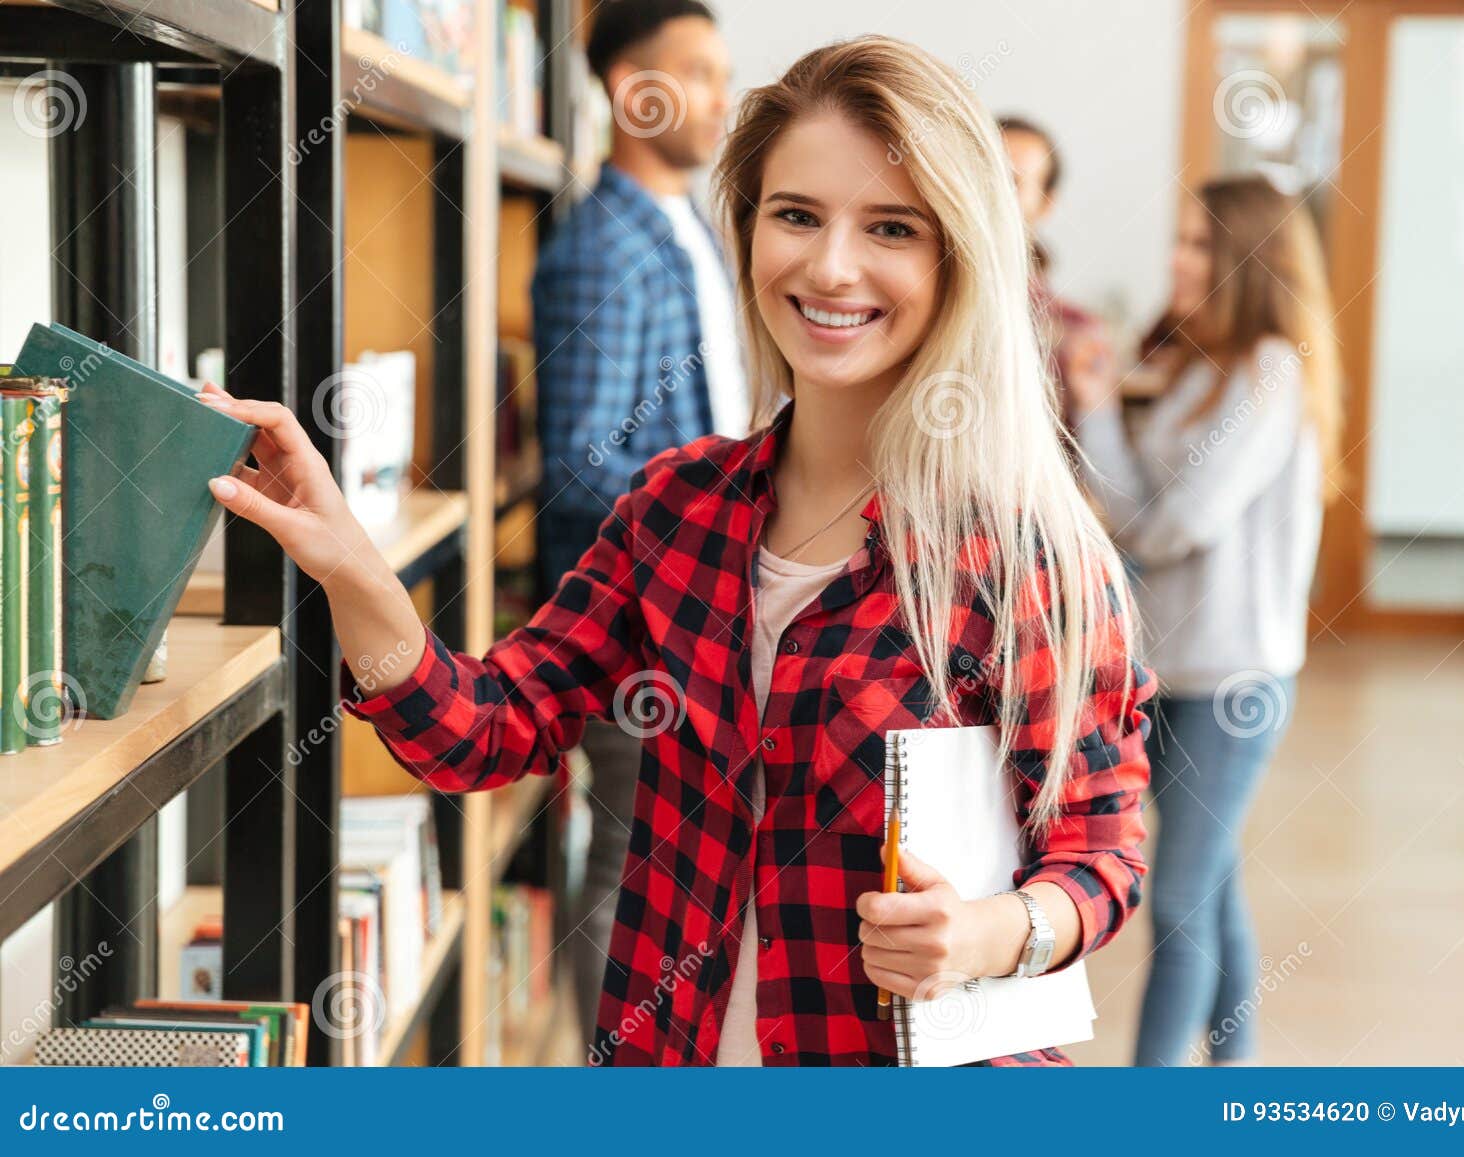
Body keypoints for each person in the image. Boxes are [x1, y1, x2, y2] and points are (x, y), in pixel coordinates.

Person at [203, 34, 1154, 1067]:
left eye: (891, 227)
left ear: (956, 255)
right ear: (746, 230)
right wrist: (352, 562)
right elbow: (483, 730)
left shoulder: (1025, 552)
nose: (830, 266)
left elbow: (1099, 851)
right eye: (795, 215)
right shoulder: (679, 507)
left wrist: (996, 932)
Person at [1066, 174, 1342, 1066]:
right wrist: (1103, 410)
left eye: (1197, 243)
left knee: (1178, 895)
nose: (1178, 260)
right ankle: (1238, 1071)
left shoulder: (1271, 368)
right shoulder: (1197, 364)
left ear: (1245, 259)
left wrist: (1135, 507)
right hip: (1168, 669)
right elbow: (1134, 504)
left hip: (1234, 682)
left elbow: (1181, 519)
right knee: (1210, 886)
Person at [531, 0, 741, 1035]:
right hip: (640, 622)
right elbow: (581, 463)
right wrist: (718, 527)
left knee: (668, 867)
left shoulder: (684, 225)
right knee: (625, 862)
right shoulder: (603, 247)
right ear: (631, 90)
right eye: (696, 72)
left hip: (695, 610)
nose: (720, 96)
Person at [997, 114, 1111, 429]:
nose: (992, 194)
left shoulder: (1078, 332)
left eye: (1013, 182)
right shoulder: (918, 299)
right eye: (983, 175)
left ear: (1046, 204)